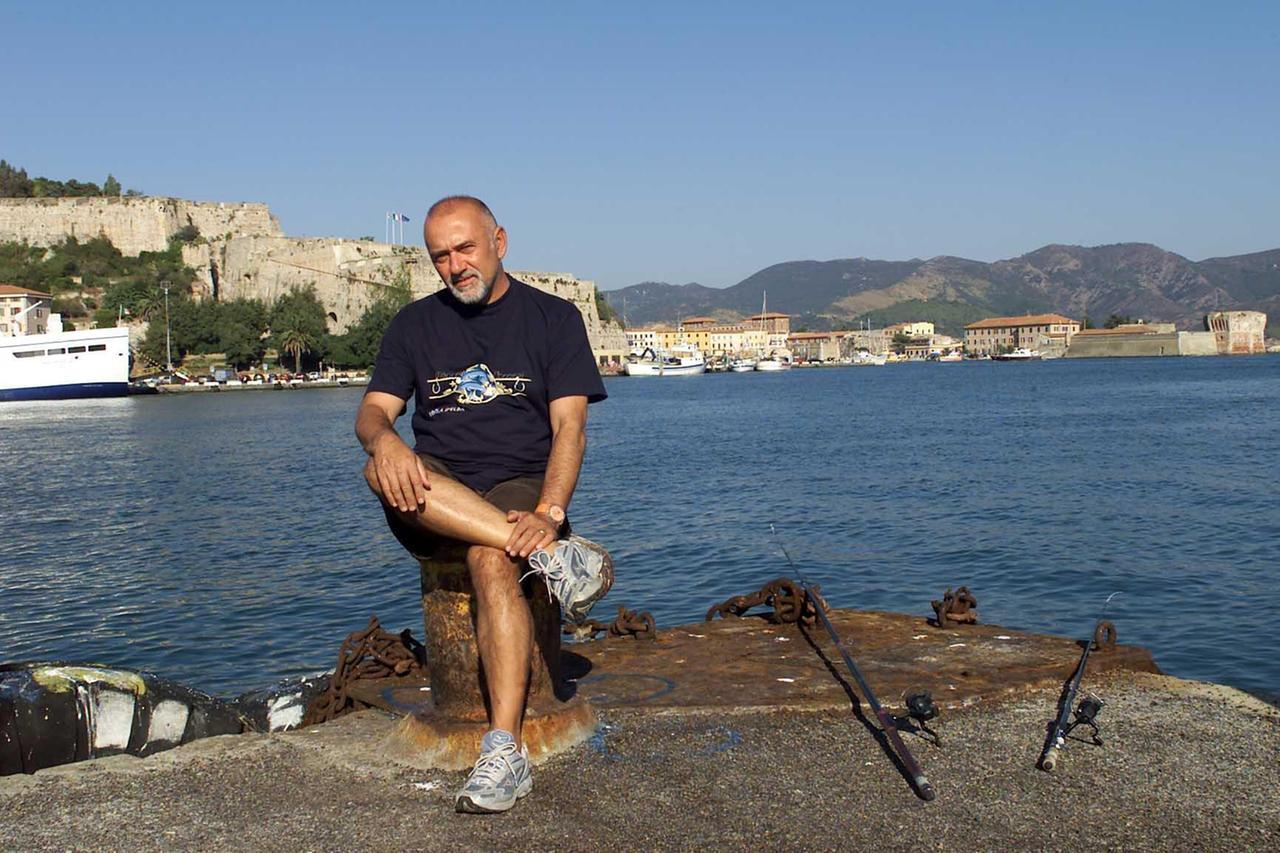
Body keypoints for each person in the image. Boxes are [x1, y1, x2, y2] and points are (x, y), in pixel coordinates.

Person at [354, 195, 611, 814]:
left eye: (465, 248)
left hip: (524, 482)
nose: (455, 265)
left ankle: (503, 751)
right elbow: (373, 412)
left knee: (490, 560)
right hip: (435, 490)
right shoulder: (413, 325)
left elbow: (569, 428)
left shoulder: (553, 319)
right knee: (375, 467)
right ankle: (560, 561)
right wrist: (385, 440)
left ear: (499, 240)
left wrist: (548, 515)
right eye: (440, 255)